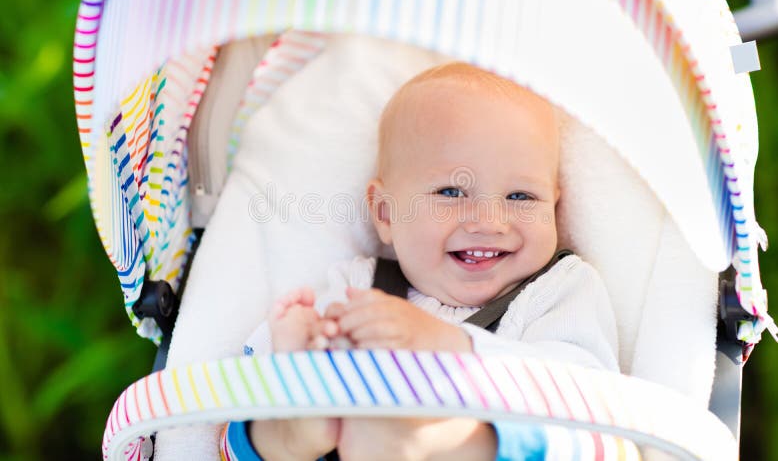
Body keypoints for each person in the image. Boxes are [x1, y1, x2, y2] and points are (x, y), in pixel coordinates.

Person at [222, 62, 624, 461]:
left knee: (574, 435)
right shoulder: (358, 289)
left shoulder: (557, 290)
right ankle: (297, 428)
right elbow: (222, 415)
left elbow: (589, 397)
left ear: (553, 208)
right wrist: (303, 350)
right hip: (342, 436)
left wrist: (454, 347)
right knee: (250, 417)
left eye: (521, 197)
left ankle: (430, 443)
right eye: (451, 192)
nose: (489, 222)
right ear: (385, 214)